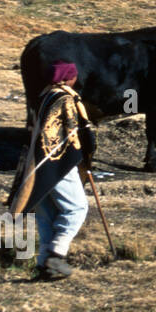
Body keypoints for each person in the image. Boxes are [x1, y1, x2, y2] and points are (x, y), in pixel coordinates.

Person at [7, 61, 96, 280]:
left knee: (47, 216)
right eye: (74, 76)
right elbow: (74, 132)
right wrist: (85, 154)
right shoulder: (65, 98)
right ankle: (57, 255)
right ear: (68, 78)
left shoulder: (43, 96)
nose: (76, 80)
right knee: (77, 208)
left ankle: (43, 267)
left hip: (38, 165)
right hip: (58, 161)